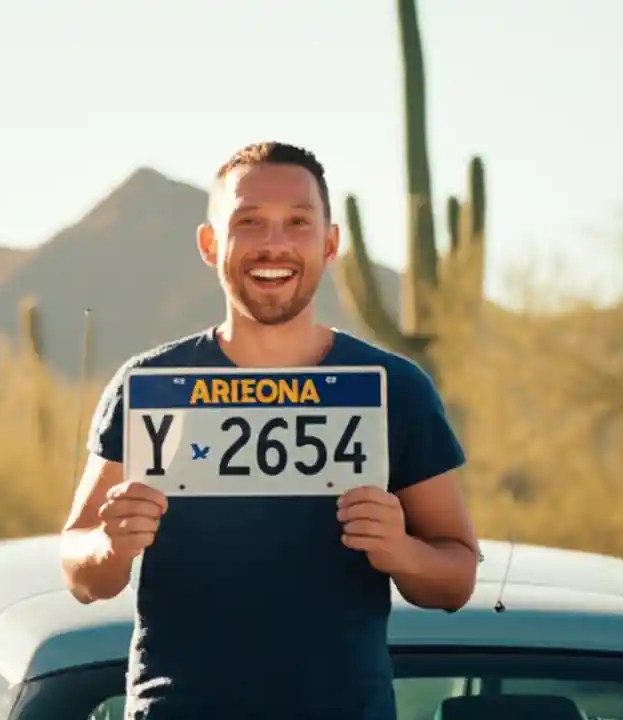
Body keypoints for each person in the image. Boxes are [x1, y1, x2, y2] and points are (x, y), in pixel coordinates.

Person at [59, 141, 479, 719]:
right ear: (211, 245)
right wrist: (110, 545)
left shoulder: (394, 390)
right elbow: (79, 569)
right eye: (248, 222)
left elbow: (456, 578)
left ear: (330, 243)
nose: (274, 244)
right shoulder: (148, 386)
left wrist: (402, 551)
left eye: (298, 223)